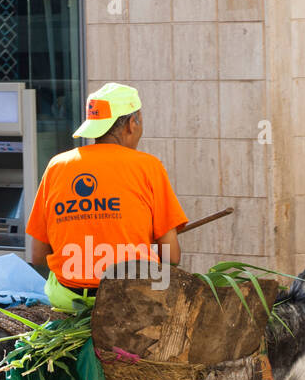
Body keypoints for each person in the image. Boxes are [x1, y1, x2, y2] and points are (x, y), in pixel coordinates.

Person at [26, 83, 188, 310]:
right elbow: (171, 257)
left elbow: (38, 256)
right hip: (129, 298)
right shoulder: (148, 167)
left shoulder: (57, 166)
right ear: (133, 124)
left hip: (68, 299)